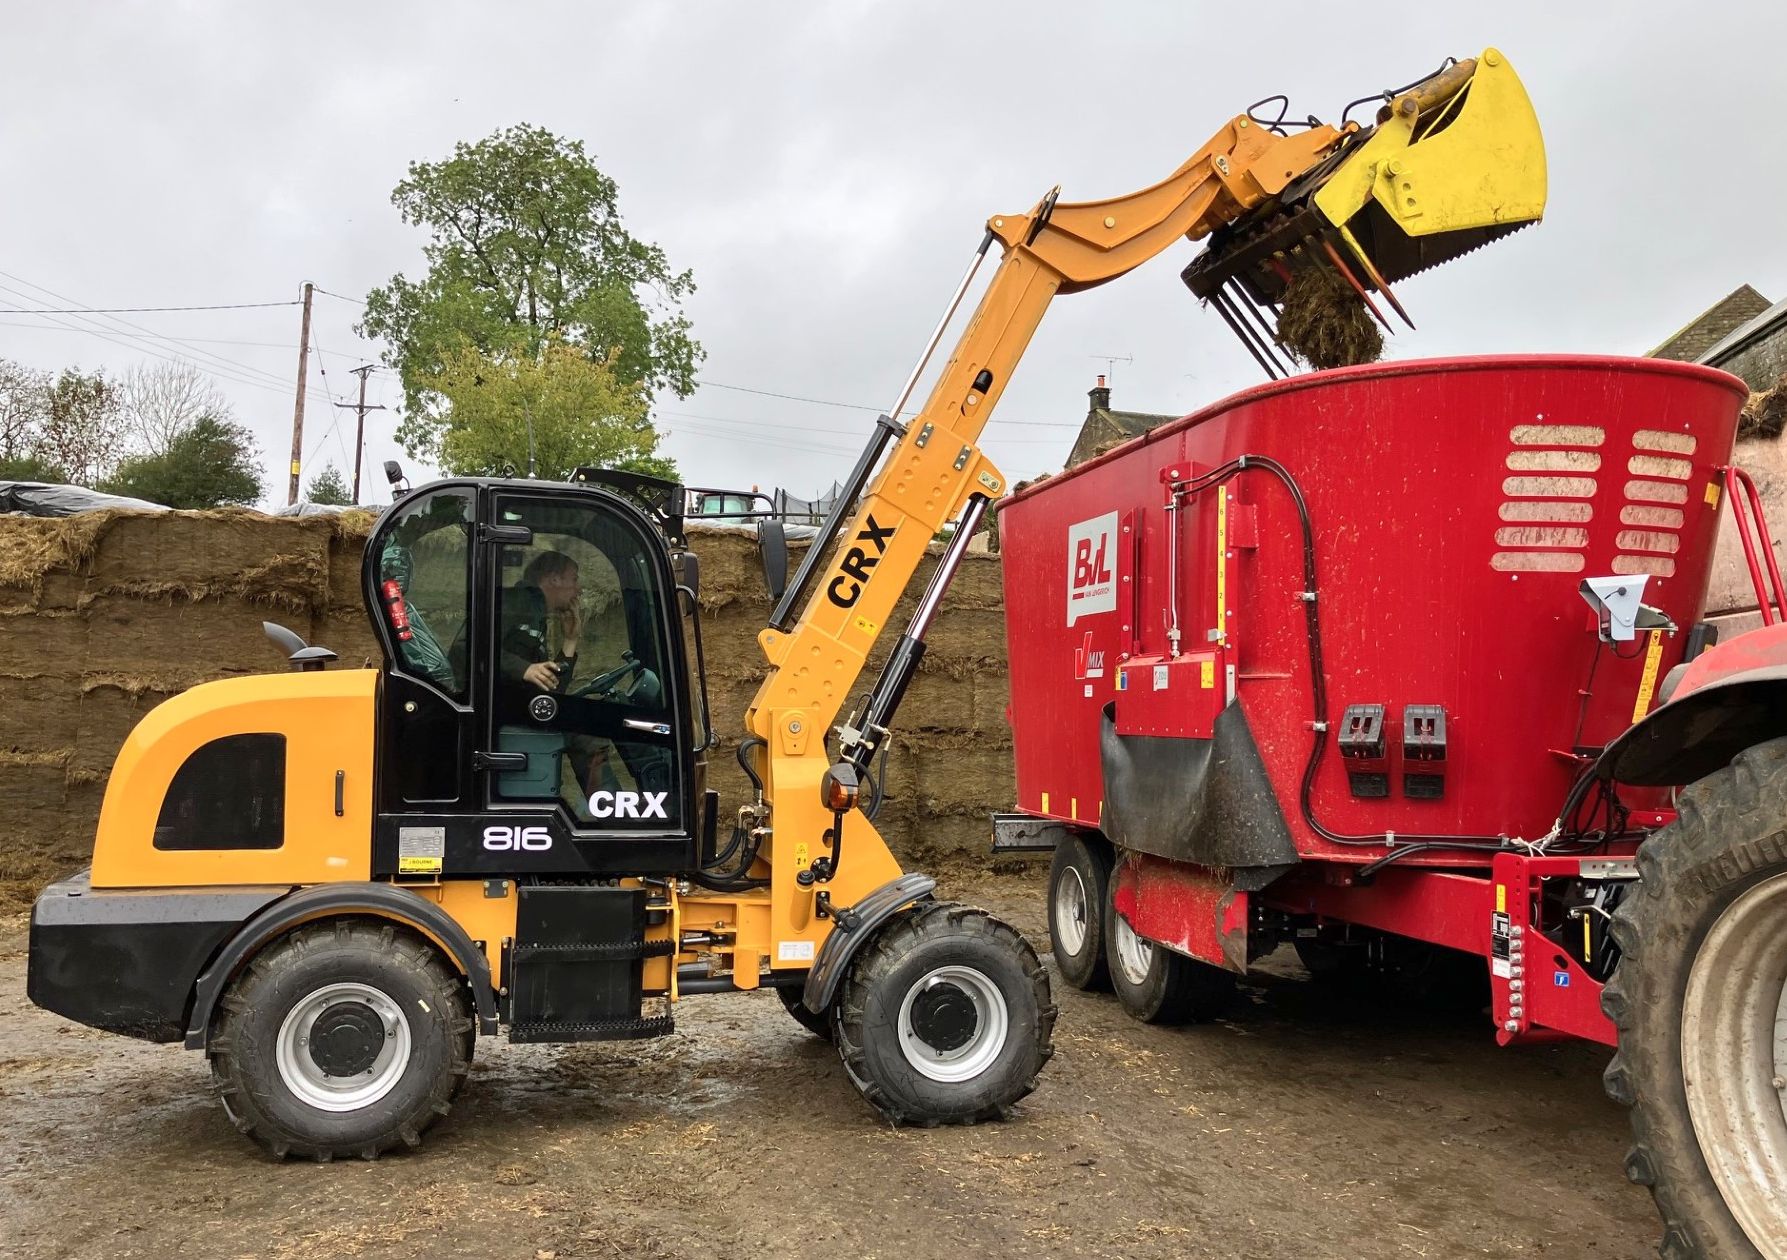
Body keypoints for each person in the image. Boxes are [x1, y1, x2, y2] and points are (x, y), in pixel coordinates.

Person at [500, 551, 583, 693]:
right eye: (574, 580)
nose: (579, 590)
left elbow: (551, 690)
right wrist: (524, 669)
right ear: (555, 579)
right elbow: (469, 646)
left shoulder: (538, 618)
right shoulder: (515, 601)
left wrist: (570, 640)